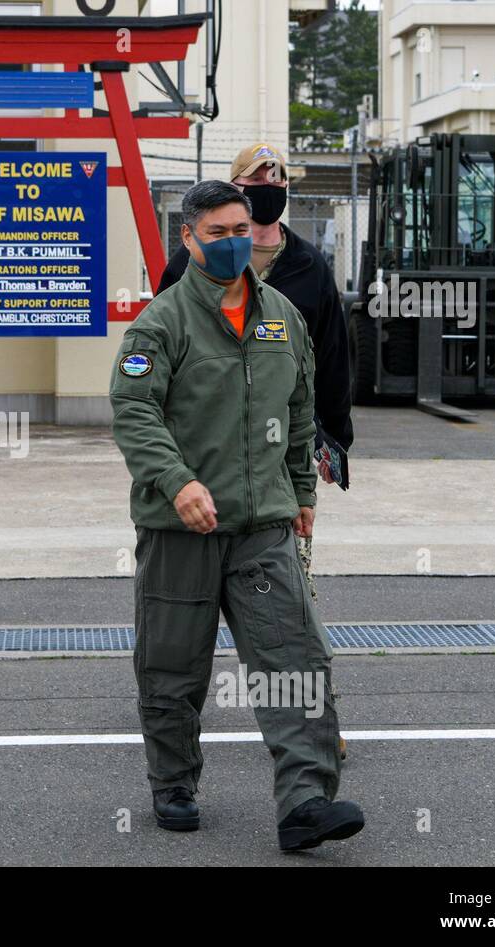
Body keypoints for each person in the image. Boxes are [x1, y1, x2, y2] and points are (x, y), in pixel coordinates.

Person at [111, 180, 364, 852]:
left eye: (241, 230)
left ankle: (306, 802)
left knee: (296, 661)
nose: (233, 243)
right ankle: (173, 783)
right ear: (188, 239)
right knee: (172, 670)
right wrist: (177, 482)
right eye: (217, 233)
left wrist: (303, 493)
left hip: (263, 526)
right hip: (179, 531)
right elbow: (134, 414)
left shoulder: (282, 314)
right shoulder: (159, 325)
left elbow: (302, 406)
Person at [157, 143, 353, 760]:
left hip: (278, 471)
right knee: (182, 629)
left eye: (277, 175)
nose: (269, 182)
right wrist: (170, 470)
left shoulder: (308, 266)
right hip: (205, 472)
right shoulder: (181, 271)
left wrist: (332, 439)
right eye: (256, 175)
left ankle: (317, 727)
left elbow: (330, 359)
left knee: (295, 604)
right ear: (236, 184)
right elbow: (157, 375)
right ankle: (174, 746)